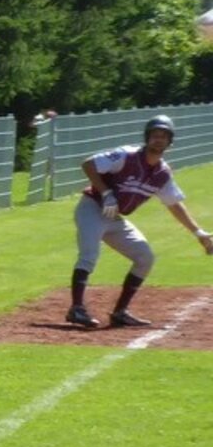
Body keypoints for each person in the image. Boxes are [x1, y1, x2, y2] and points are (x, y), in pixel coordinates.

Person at [67, 114, 213, 328]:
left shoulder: (162, 173)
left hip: (115, 218)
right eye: (154, 135)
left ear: (170, 141)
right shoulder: (127, 155)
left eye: (163, 136)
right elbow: (89, 164)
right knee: (89, 255)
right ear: (147, 138)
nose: (158, 140)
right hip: (93, 208)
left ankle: (120, 312)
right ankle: (76, 309)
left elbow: (174, 204)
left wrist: (198, 233)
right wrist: (106, 192)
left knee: (145, 257)